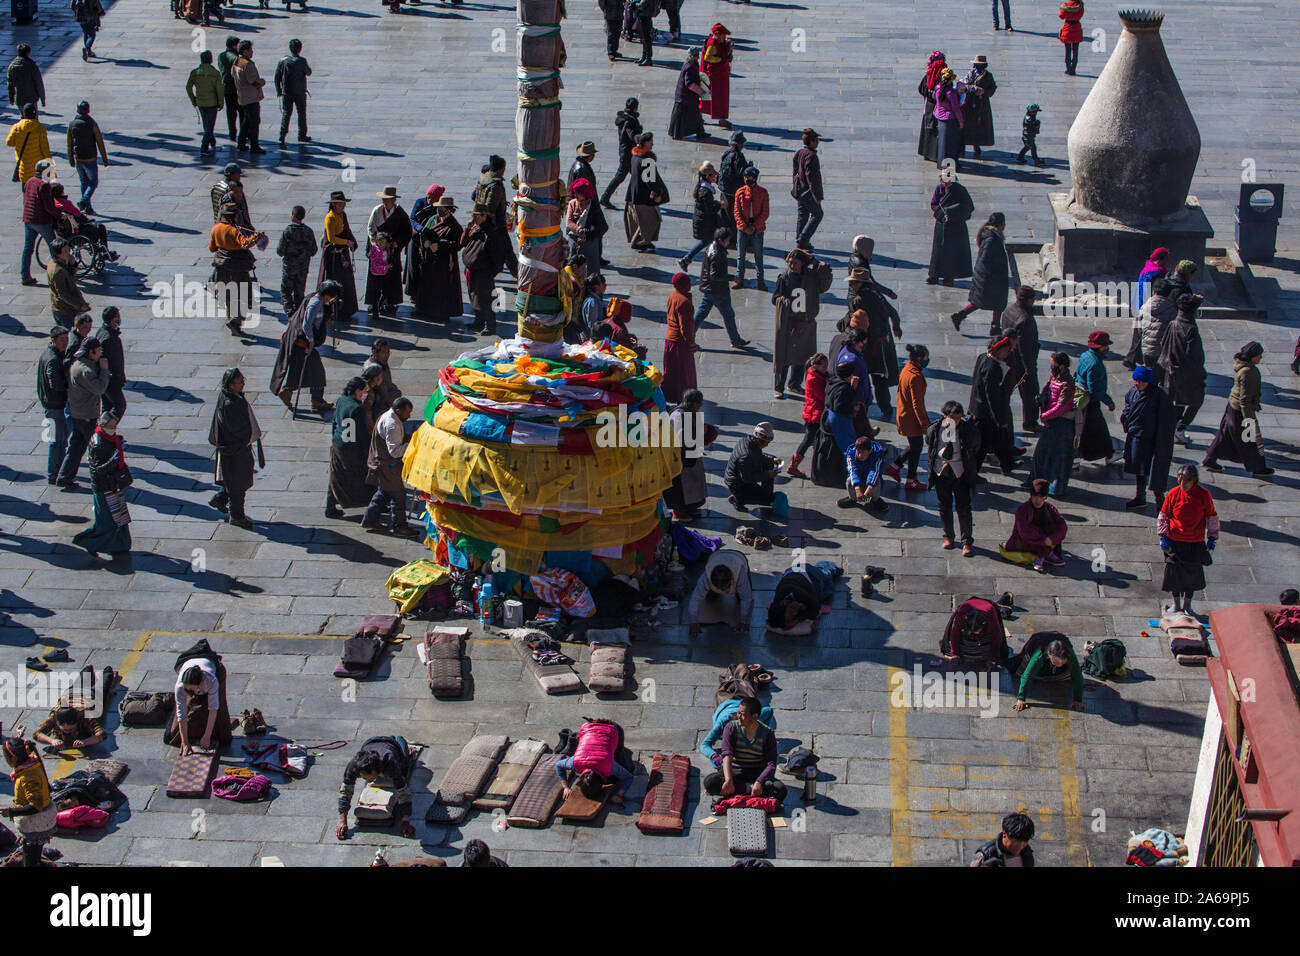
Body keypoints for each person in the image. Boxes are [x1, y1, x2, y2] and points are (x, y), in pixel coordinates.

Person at [1203, 342, 1273, 478]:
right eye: (1259, 355)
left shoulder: (1243, 367)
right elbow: (1245, 399)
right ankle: (1258, 467)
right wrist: (1249, 419)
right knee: (1250, 440)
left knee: (1225, 434)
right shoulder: (1249, 372)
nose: (1261, 358)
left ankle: (1209, 460)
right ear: (1253, 356)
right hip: (1242, 412)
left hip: (1232, 407)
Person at [270, 281, 339, 412]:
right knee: (315, 371)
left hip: (299, 341)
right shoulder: (316, 303)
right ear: (327, 295)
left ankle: (293, 393)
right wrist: (311, 341)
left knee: (301, 368)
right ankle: (311, 399)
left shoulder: (313, 297)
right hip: (302, 342)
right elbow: (306, 323)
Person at [1159, 464, 1218, 617]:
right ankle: (1176, 604)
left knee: (1192, 574)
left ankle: (1187, 605)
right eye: (1180, 480)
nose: (1183, 484)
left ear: (1194, 480)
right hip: (1175, 541)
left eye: (1187, 480)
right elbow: (1164, 516)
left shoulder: (1204, 495)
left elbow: (1211, 516)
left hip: (1195, 541)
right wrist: (1163, 537)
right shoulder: (1173, 494)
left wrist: (1212, 537)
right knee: (1174, 572)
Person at [772, 248, 830, 398]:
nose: (792, 266)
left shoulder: (811, 277)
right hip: (789, 323)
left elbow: (824, 283)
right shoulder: (784, 277)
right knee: (784, 356)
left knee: (803, 356)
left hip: (806, 323)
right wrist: (783, 301)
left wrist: (816, 262)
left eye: (795, 263)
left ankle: (794, 384)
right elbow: (775, 297)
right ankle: (779, 386)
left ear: (803, 264)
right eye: (790, 263)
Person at [703, 697, 787, 801]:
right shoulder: (731, 728)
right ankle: (748, 790)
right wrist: (728, 780)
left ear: (754, 716)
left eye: (743, 715)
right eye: (738, 713)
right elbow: (727, 755)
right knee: (710, 782)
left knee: (780, 790)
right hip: (735, 771)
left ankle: (743, 790)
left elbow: (771, 764)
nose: (739, 717)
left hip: (757, 772)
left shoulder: (768, 733)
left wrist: (759, 782)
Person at [72, 411, 132, 557]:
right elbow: (98, 469)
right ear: (104, 425)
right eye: (111, 426)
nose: (114, 429)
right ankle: (88, 542)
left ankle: (119, 545)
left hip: (111, 485)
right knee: (107, 522)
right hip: (103, 487)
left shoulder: (109, 439)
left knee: (119, 518)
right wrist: (114, 461)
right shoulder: (99, 443)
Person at [208, 368, 261, 530]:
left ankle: (220, 498)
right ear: (231, 385)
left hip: (237, 450)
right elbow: (237, 429)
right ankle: (237, 516)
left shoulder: (232, 397)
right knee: (238, 485)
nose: (243, 383)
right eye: (240, 381)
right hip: (235, 451)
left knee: (234, 479)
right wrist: (248, 436)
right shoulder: (230, 405)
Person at [927, 400, 981, 555]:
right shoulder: (936, 429)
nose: (955, 421)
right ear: (944, 416)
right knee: (944, 506)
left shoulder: (968, 430)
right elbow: (929, 442)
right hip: (941, 472)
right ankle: (948, 536)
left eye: (958, 418)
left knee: (964, 507)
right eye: (952, 418)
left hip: (960, 472)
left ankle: (967, 541)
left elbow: (976, 445)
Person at [336, 736, 416, 839]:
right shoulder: (353, 765)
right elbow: (345, 792)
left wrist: (405, 821)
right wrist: (343, 822)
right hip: (370, 743)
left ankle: (399, 740)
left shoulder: (390, 762)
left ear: (378, 770)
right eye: (365, 778)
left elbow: (403, 793)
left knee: (404, 767)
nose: (368, 781)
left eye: (371, 777)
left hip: (391, 746)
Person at [56, 336, 109, 490]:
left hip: (78, 413)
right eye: (98, 350)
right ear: (91, 352)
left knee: (76, 447)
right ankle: (100, 479)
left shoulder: (78, 365)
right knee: (95, 448)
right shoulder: (85, 371)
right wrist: (104, 371)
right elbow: (99, 388)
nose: (100, 353)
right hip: (87, 415)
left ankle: (65, 477)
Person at [1121, 365, 1176, 510]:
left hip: (1151, 441)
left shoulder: (1158, 397)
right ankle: (1140, 496)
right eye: (1135, 380)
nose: (1136, 383)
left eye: (1140, 381)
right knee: (1140, 470)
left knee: (1154, 472)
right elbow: (1128, 408)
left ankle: (1160, 503)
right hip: (1136, 438)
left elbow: (1166, 421)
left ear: (1147, 381)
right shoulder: (1133, 392)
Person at [1158, 293, 1207, 446]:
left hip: (1169, 371)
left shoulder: (1173, 324)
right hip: (1186, 374)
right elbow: (1195, 356)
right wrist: (1200, 374)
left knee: (1177, 402)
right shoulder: (1190, 329)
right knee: (1196, 401)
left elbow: (1163, 344)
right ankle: (1180, 426)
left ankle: (1175, 429)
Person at [363, 397, 417, 538]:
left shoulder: (391, 416)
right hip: (387, 465)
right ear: (398, 411)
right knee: (398, 495)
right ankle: (399, 526)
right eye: (407, 412)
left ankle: (370, 519)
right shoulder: (392, 424)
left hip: (384, 464)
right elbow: (395, 451)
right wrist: (413, 445)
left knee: (384, 493)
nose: (409, 416)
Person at [969, 336, 1021, 475]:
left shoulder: (982, 357)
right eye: (1006, 351)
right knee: (982, 445)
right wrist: (1000, 419)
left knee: (999, 440)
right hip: (987, 413)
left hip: (980, 408)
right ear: (998, 350)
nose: (1007, 354)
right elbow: (992, 396)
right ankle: (972, 474)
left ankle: (1007, 464)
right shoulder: (993, 368)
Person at [323, 376, 373, 520]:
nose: (365, 395)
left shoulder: (341, 400)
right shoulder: (357, 409)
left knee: (336, 476)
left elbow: (334, 422)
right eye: (364, 392)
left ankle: (330, 506)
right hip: (352, 448)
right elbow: (362, 434)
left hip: (338, 443)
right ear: (357, 391)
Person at [1, 738, 55, 868]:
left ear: (13, 759)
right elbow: (39, 759)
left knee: (29, 859)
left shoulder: (27, 778)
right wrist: (33, 749)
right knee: (34, 853)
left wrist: (11, 812)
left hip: (36, 823)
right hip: (43, 818)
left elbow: (35, 806)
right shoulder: (33, 762)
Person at [1030, 352, 1078, 495]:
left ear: (1062, 366)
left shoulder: (1068, 383)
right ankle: (1034, 481)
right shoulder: (1054, 377)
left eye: (1054, 366)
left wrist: (1044, 416)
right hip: (1051, 420)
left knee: (1060, 457)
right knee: (1040, 454)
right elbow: (1047, 391)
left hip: (1062, 423)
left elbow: (1061, 406)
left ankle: (1057, 488)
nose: (1052, 369)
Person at [952, 213, 1009, 334]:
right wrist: (993, 273)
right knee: (992, 301)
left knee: (985, 301)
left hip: (989, 276)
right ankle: (994, 327)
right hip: (990, 276)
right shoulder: (992, 238)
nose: (1004, 226)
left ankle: (994, 326)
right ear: (1000, 225)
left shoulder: (990, 235)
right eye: (1003, 224)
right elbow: (985, 259)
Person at [555, 720, 635, 805]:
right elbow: (558, 765)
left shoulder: (609, 767)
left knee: (627, 766)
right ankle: (572, 739)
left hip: (612, 728)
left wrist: (619, 795)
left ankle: (573, 739)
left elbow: (629, 777)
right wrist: (565, 787)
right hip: (589, 727)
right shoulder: (576, 762)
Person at [412, 195, 463, 322]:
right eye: (438, 207)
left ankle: (440, 313)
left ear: (449, 210)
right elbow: (424, 232)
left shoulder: (454, 226)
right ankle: (424, 309)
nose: (439, 210)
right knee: (426, 285)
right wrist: (425, 242)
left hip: (444, 262)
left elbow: (458, 244)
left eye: (442, 208)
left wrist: (440, 245)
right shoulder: (434, 219)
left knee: (441, 288)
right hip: (429, 259)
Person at [694, 227, 746, 349]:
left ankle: (688, 337)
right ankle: (735, 339)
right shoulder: (717, 253)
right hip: (718, 290)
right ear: (720, 240)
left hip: (708, 288)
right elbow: (715, 275)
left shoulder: (712, 247)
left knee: (701, 313)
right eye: (727, 240)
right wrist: (733, 278)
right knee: (728, 314)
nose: (728, 242)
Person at [665, 388, 713, 519]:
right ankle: (679, 511)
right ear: (693, 403)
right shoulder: (678, 415)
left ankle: (691, 507)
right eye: (699, 404)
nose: (700, 407)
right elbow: (681, 440)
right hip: (680, 458)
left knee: (694, 483)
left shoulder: (689, 412)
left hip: (690, 456)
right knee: (680, 488)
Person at [172, 654, 234, 754]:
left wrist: (207, 737)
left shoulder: (211, 681)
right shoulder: (180, 686)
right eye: (187, 689)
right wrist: (185, 742)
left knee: (224, 733)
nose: (189, 691)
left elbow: (213, 710)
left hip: (215, 672)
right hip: (196, 682)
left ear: (200, 684)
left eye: (191, 689)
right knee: (174, 733)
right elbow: (181, 715)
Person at [1000, 286, 1041, 431]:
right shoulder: (1026, 320)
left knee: (1005, 392)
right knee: (1030, 393)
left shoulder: (1009, 309)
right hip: (1021, 363)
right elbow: (1026, 349)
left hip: (1007, 357)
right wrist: (1030, 370)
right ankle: (1030, 422)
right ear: (1029, 300)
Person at [1075, 330, 1119, 464]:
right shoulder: (1095, 364)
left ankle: (1076, 458)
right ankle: (1109, 455)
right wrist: (1109, 401)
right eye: (1105, 345)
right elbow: (1095, 390)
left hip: (1080, 397)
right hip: (1090, 402)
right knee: (1100, 431)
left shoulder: (1085, 355)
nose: (1107, 348)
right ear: (1100, 347)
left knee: (1082, 431)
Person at [1005, 479, 1068, 574]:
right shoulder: (1022, 510)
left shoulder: (1050, 508)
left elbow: (1062, 525)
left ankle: (1043, 555)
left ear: (1045, 497)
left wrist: (1052, 539)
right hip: (1024, 542)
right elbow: (1024, 532)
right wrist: (1045, 540)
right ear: (1031, 495)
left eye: (1041, 496)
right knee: (1034, 531)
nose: (1037, 500)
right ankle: (1044, 555)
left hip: (1046, 542)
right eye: (1035, 496)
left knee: (1054, 527)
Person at [687, 549, 753, 636]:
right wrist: (693, 622)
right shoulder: (705, 577)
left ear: (731, 579)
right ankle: (714, 592)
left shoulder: (740, 573)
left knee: (743, 598)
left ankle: (725, 591)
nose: (723, 591)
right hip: (716, 555)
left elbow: (746, 598)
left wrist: (744, 621)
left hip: (738, 556)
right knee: (710, 599)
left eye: (724, 588)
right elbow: (695, 598)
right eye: (719, 588)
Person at [1012, 635, 1084, 711]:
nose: (1060, 664)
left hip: (1057, 667)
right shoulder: (1039, 655)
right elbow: (1027, 675)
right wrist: (1021, 698)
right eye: (1056, 662)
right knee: (1021, 671)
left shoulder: (1069, 654)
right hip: (1038, 644)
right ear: (1049, 655)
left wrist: (1078, 700)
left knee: (1069, 675)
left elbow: (1077, 675)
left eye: (1063, 662)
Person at [927, 170, 974, 285]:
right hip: (941, 224)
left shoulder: (960, 190)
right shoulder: (939, 189)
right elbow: (934, 203)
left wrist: (952, 212)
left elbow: (968, 206)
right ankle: (934, 275)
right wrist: (941, 213)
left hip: (955, 226)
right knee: (938, 251)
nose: (945, 183)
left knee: (951, 252)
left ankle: (949, 276)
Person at [319, 190, 360, 321]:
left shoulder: (343, 215)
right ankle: (332, 310)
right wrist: (346, 242)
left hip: (343, 251)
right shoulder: (330, 218)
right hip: (333, 255)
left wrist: (352, 242)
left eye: (343, 203)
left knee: (346, 281)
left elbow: (347, 230)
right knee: (333, 282)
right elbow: (331, 238)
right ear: (333, 205)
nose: (342, 206)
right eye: (339, 204)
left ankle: (347, 309)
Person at [38, 327, 71, 485]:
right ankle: (53, 474)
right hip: (54, 406)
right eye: (62, 340)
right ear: (53, 341)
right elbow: (55, 384)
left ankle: (57, 470)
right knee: (57, 441)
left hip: (52, 404)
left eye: (66, 339)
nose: (65, 342)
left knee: (60, 439)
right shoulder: (52, 359)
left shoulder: (49, 354)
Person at [725, 422, 783, 512]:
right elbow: (747, 478)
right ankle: (738, 499)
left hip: (742, 476)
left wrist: (772, 459)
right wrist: (768, 475)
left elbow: (757, 455)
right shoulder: (745, 456)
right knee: (768, 499)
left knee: (769, 463)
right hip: (737, 484)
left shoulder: (747, 441)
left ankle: (749, 496)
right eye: (766, 443)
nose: (767, 445)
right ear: (758, 440)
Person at [624, 132, 668, 252]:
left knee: (644, 220)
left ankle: (645, 241)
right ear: (644, 143)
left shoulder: (635, 156)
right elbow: (651, 181)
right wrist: (657, 194)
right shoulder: (647, 160)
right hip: (644, 196)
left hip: (635, 193)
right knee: (652, 219)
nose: (652, 143)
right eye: (650, 141)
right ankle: (639, 242)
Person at [474, 154, 516, 278]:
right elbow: (490, 207)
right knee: (507, 252)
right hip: (496, 226)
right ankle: (521, 278)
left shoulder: (483, 179)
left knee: (500, 252)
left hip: (485, 223)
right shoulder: (495, 186)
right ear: (500, 169)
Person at [787, 353, 827, 479]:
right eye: (824, 366)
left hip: (816, 412)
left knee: (812, 440)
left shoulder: (818, 374)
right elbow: (823, 397)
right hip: (814, 414)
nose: (826, 368)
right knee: (808, 440)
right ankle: (793, 466)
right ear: (815, 365)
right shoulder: (814, 379)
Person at [767, 562, 841, 630]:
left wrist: (797, 620)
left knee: (827, 580)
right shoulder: (778, 603)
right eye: (792, 616)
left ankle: (824, 566)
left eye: (791, 611)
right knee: (825, 592)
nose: (795, 613)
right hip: (799, 576)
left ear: (784, 603)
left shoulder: (795, 592)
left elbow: (815, 608)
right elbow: (774, 618)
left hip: (808, 572)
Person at [20, 159, 59, 287]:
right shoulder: (44, 185)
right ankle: (57, 276)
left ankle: (25, 276)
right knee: (55, 248)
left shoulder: (29, 181)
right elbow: (48, 207)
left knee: (28, 248)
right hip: (41, 221)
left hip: (28, 220)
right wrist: (59, 216)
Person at [896, 345, 930, 491]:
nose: (928, 360)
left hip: (905, 414)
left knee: (915, 446)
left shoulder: (907, 369)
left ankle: (895, 466)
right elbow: (918, 404)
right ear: (919, 359)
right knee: (917, 446)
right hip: (911, 418)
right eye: (926, 357)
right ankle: (911, 479)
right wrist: (925, 425)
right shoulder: (915, 376)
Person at [65, 101, 109, 214]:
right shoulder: (92, 123)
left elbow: (69, 144)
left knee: (83, 182)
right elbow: (99, 141)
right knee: (93, 182)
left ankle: (87, 207)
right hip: (90, 158)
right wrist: (104, 158)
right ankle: (84, 201)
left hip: (78, 158)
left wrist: (70, 158)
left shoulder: (72, 124)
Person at [462, 203, 498, 335]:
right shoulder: (475, 228)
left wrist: (491, 271)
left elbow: (497, 256)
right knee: (474, 296)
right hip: (472, 270)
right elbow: (463, 243)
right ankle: (478, 321)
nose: (474, 218)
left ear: (484, 216)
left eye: (477, 216)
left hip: (484, 271)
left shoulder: (491, 232)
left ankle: (490, 325)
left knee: (486, 299)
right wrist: (467, 229)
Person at [661, 272, 697, 403]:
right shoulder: (684, 302)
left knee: (672, 372)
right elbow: (685, 328)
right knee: (684, 376)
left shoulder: (672, 296)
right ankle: (684, 401)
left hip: (669, 340)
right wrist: (691, 344)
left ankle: (671, 397)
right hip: (680, 344)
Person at [599, 98, 641, 209]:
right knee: (621, 176)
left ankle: (639, 198)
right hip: (628, 153)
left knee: (638, 174)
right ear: (635, 107)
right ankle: (605, 197)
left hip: (626, 151)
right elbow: (631, 135)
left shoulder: (625, 118)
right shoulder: (629, 121)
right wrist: (641, 139)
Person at [679, 161, 722, 269]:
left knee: (707, 242)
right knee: (709, 241)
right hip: (705, 223)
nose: (715, 177)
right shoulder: (705, 191)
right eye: (713, 175)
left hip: (704, 222)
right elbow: (709, 208)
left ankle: (687, 259)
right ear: (708, 176)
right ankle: (688, 259)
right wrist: (719, 205)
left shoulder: (702, 187)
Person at [277, 205, 318, 317]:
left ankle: (290, 313)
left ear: (293, 216)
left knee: (286, 291)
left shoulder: (287, 231)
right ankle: (299, 314)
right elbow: (314, 250)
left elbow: (280, 251)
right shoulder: (309, 231)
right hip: (303, 268)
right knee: (299, 293)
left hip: (289, 268)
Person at [732, 165, 769, 290]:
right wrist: (744, 227)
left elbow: (765, 213)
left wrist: (754, 226)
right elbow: (737, 212)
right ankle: (739, 279)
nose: (748, 180)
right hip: (743, 229)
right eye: (746, 177)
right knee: (740, 255)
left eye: (751, 178)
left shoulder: (763, 192)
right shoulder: (740, 192)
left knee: (758, 255)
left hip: (757, 229)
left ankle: (760, 280)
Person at [1135, 277, 1177, 379]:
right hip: (1164, 351)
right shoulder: (1172, 309)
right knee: (1162, 378)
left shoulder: (1144, 307)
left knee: (1149, 376)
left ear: (1154, 292)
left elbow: (1139, 329)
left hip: (1147, 350)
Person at [839, 435, 892, 515]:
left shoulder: (878, 456)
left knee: (876, 481)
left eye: (863, 452)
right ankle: (853, 498)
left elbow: (874, 472)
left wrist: (869, 489)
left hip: (871, 480)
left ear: (870, 451)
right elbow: (853, 471)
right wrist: (857, 489)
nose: (860, 455)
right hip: (858, 478)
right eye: (858, 452)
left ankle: (875, 499)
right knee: (850, 480)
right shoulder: (850, 455)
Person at [273, 38, 311, 146]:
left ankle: (282, 135)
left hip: (287, 92)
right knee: (301, 114)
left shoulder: (283, 61)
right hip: (299, 92)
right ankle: (302, 135)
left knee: (286, 113)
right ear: (300, 49)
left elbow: (277, 77)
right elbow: (308, 72)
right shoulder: (302, 61)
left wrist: (278, 90)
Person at [231, 40, 266, 153]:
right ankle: (254, 145)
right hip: (251, 97)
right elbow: (253, 81)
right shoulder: (247, 64)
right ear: (245, 51)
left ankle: (241, 142)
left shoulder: (238, 61)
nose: (252, 52)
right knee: (254, 121)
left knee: (247, 120)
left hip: (242, 96)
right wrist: (261, 82)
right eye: (251, 50)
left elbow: (233, 74)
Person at [792, 128, 824, 250]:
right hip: (808, 192)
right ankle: (803, 239)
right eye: (816, 140)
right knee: (818, 214)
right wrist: (817, 196)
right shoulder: (811, 156)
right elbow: (812, 178)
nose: (818, 142)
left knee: (803, 214)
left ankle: (799, 238)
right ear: (811, 142)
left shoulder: (799, 152)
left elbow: (795, 171)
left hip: (799, 190)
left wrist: (795, 185)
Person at [8, 103, 52, 190]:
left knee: (26, 193)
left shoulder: (16, 127)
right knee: (39, 192)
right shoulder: (40, 128)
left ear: (24, 114)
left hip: (24, 167)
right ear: (35, 114)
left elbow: (9, 143)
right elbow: (45, 149)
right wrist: (50, 164)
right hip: (38, 169)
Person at [186, 51, 224, 153]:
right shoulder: (215, 73)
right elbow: (220, 90)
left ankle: (213, 142)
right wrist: (221, 102)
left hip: (201, 102)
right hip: (212, 103)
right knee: (210, 126)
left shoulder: (195, 72)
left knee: (207, 124)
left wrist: (193, 99)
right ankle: (204, 147)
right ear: (211, 60)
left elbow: (188, 87)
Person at [961, 56, 996, 159]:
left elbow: (992, 88)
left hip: (982, 103)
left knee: (979, 124)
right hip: (970, 102)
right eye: (976, 65)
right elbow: (964, 85)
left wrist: (984, 92)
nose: (977, 67)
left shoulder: (988, 76)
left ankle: (977, 145)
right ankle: (963, 145)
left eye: (979, 65)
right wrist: (973, 88)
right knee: (967, 123)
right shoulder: (970, 74)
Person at [668, 50, 707, 141]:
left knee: (696, 114)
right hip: (685, 96)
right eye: (697, 55)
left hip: (687, 96)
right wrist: (700, 91)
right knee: (681, 116)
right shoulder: (689, 67)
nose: (698, 57)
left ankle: (700, 131)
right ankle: (676, 133)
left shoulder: (692, 64)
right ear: (692, 56)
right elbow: (689, 83)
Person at [972, 814, 1037, 868]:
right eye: (1016, 844)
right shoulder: (985, 856)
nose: (1020, 847)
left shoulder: (1026, 851)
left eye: (1023, 844)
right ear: (1004, 833)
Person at [34, 703, 107, 751]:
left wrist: (85, 742)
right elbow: (37, 734)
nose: (67, 731)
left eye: (71, 729)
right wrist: (52, 741)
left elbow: (102, 734)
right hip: (70, 695)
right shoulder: (54, 717)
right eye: (64, 729)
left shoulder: (84, 716)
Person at [701, 24, 734, 129]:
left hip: (721, 74)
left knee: (721, 97)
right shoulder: (712, 45)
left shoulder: (720, 42)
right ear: (717, 35)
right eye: (723, 35)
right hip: (715, 75)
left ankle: (721, 117)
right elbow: (708, 57)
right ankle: (700, 115)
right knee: (710, 96)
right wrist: (721, 60)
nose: (724, 38)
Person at [916, 50, 947, 162]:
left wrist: (927, 96)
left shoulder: (930, 73)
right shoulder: (944, 74)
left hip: (929, 104)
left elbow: (921, 89)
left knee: (927, 127)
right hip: (939, 105)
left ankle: (925, 152)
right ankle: (934, 154)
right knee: (936, 128)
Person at [932, 68, 964, 171]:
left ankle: (941, 164)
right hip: (949, 119)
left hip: (939, 117)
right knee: (951, 144)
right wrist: (961, 120)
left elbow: (933, 96)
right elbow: (955, 108)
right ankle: (951, 165)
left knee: (942, 143)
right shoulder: (951, 92)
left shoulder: (938, 88)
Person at [565, 177, 602, 267]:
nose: (576, 195)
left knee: (590, 269)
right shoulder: (572, 204)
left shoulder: (593, 207)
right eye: (575, 192)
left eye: (579, 193)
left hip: (590, 244)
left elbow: (601, 227)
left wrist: (587, 234)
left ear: (585, 194)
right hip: (575, 241)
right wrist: (578, 230)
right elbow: (569, 222)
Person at [96, 307, 125, 419]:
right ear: (112, 319)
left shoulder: (102, 331)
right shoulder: (109, 338)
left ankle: (106, 434)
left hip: (106, 378)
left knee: (107, 406)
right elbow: (103, 359)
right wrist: (114, 376)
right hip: (111, 379)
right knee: (119, 406)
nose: (119, 319)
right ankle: (104, 431)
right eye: (117, 316)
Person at [718, 130, 748, 236]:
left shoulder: (727, 153)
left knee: (725, 213)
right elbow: (741, 173)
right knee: (733, 214)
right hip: (732, 191)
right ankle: (731, 236)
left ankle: (724, 233)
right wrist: (749, 167)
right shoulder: (738, 157)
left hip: (723, 188)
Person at [361, 339, 401, 415]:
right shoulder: (373, 368)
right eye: (384, 352)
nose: (387, 355)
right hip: (378, 405)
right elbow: (384, 395)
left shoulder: (382, 361)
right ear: (374, 352)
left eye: (388, 352)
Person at [217, 36, 243, 144]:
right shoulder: (231, 56)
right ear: (234, 45)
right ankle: (242, 133)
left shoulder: (220, 55)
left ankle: (232, 133)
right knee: (242, 112)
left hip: (226, 87)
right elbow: (239, 62)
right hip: (235, 88)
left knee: (230, 112)